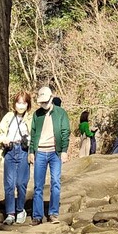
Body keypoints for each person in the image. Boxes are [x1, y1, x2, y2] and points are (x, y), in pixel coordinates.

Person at [29, 85, 70, 223]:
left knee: (56, 183)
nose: (44, 104)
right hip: (39, 151)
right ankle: (37, 216)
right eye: (41, 102)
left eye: (46, 101)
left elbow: (65, 132)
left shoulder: (61, 113)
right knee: (38, 185)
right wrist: (31, 152)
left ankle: (53, 213)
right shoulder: (37, 114)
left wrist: (64, 150)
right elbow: (33, 134)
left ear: (51, 98)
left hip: (55, 152)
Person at [0, 92, 32, 224]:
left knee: (21, 183)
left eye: (24, 103)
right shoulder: (9, 117)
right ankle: (10, 213)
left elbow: (35, 136)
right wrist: (3, 140)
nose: (21, 106)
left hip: (23, 151)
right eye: (18, 102)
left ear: (28, 104)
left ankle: (20, 209)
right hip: (10, 150)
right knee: (9, 184)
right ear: (14, 104)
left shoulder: (31, 119)